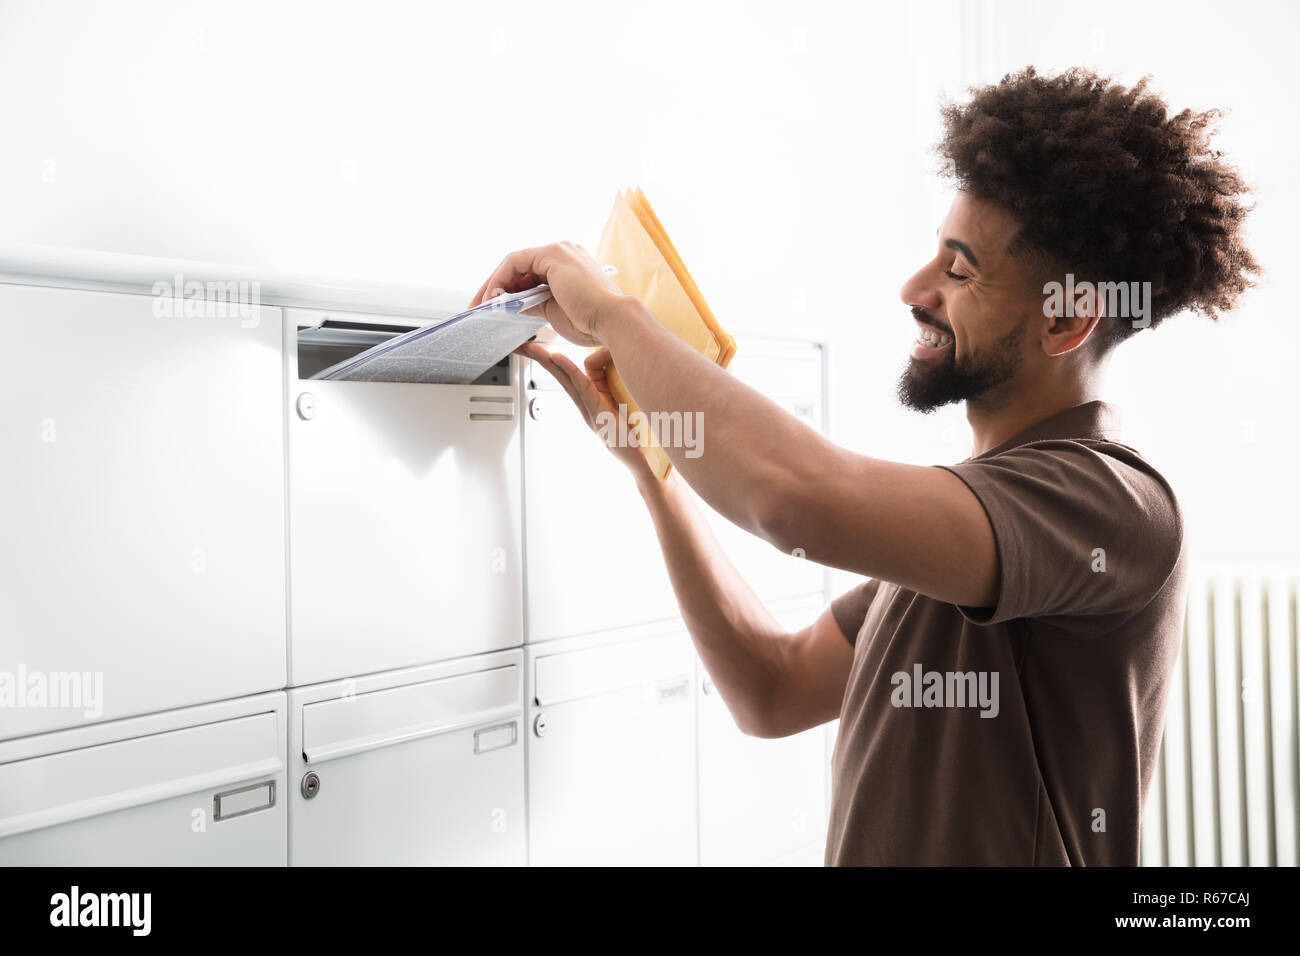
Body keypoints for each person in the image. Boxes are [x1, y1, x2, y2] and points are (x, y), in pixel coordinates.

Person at [470, 66, 1259, 865]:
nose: (915, 289)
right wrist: (653, 470)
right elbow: (769, 687)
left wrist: (610, 308)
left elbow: (791, 499)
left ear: (1065, 320)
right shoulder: (964, 526)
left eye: (959, 270)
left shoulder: (1110, 501)